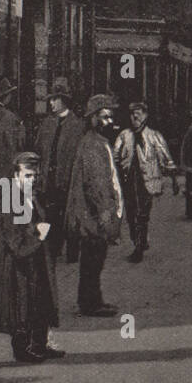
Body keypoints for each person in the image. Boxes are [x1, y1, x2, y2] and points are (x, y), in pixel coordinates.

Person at [0, 154, 63, 363]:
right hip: (18, 264)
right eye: (28, 175)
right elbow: (14, 240)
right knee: (21, 307)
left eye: (35, 175)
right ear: (15, 175)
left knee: (40, 302)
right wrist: (38, 234)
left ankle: (40, 344)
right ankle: (22, 350)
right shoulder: (9, 199)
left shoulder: (33, 194)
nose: (33, 180)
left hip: (36, 259)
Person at [64, 95, 124, 317]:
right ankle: (90, 303)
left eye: (111, 116)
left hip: (93, 215)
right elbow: (96, 186)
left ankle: (92, 299)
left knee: (94, 260)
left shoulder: (98, 142)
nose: (110, 121)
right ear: (93, 119)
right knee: (92, 260)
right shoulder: (93, 145)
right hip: (93, 217)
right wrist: (106, 217)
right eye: (104, 117)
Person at [114, 101, 175, 263]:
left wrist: (173, 177)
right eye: (133, 114)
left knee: (142, 215)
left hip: (147, 182)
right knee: (131, 215)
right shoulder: (124, 135)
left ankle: (139, 248)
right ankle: (139, 240)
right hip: (128, 181)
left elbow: (166, 157)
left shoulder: (153, 136)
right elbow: (114, 157)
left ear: (145, 116)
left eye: (139, 114)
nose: (135, 117)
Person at [33, 78, 81, 262]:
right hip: (49, 178)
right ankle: (54, 248)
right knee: (50, 213)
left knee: (70, 215)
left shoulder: (76, 125)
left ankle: (72, 251)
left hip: (68, 179)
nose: (51, 103)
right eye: (50, 99)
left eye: (55, 99)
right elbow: (38, 150)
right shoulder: (47, 124)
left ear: (64, 100)